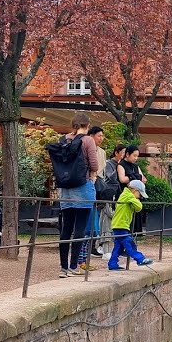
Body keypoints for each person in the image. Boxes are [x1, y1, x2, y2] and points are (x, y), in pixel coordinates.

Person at [57, 112, 100, 277]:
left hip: (66, 189)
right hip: (83, 186)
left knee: (66, 228)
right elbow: (94, 165)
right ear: (87, 125)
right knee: (80, 229)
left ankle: (63, 267)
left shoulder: (63, 139)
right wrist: (93, 172)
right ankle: (74, 265)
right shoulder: (88, 140)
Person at [108, 180, 153, 270]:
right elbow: (139, 207)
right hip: (121, 225)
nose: (140, 198)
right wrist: (135, 200)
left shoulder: (126, 196)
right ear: (135, 190)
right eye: (140, 195)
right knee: (129, 243)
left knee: (119, 246)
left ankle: (112, 264)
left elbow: (135, 208)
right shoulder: (128, 195)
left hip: (119, 224)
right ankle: (140, 258)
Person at [85, 126, 107, 259]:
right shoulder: (85, 148)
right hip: (87, 183)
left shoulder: (102, 152)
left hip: (96, 185)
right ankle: (86, 245)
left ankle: (93, 245)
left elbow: (101, 170)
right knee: (88, 215)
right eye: (99, 135)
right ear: (91, 135)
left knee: (95, 215)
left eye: (102, 136)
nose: (101, 138)